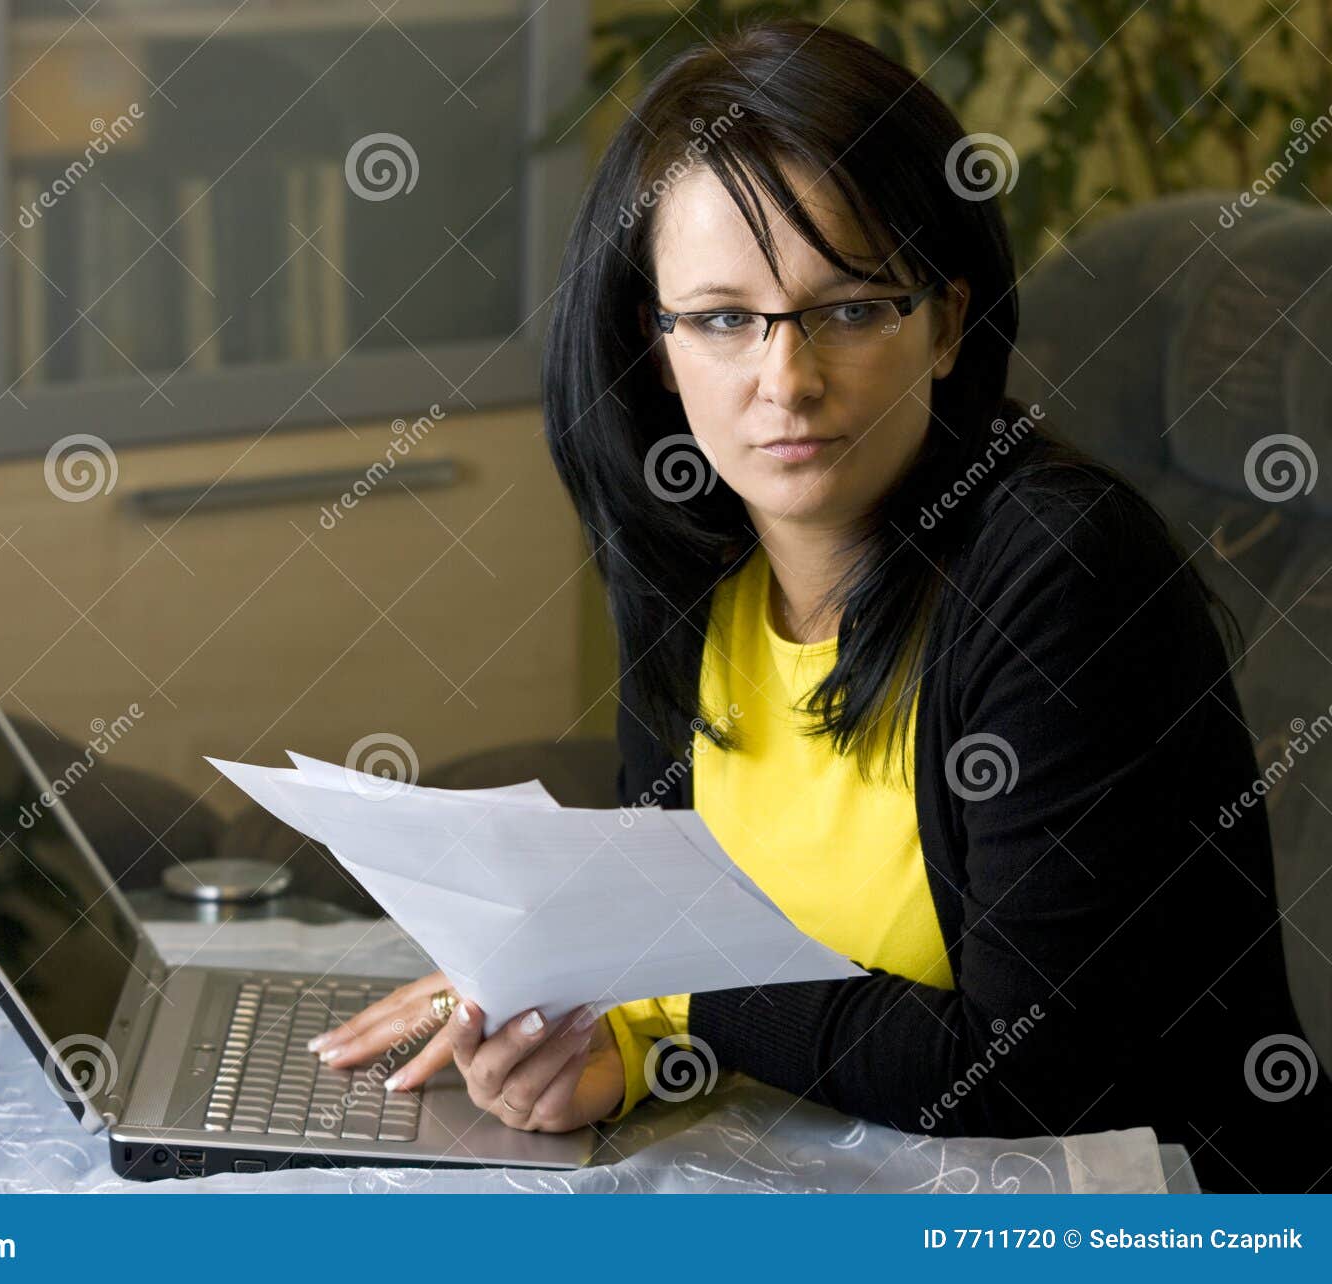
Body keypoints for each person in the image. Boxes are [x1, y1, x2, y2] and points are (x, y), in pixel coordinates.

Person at [304, 17, 1332, 1192]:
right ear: (656, 343)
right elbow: (699, 938)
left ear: (945, 323)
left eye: (848, 308)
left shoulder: (1062, 575)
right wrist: (612, 1044)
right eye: (726, 318)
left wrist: (643, 968)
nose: (784, 381)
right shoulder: (693, 558)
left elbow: (1034, 1079)